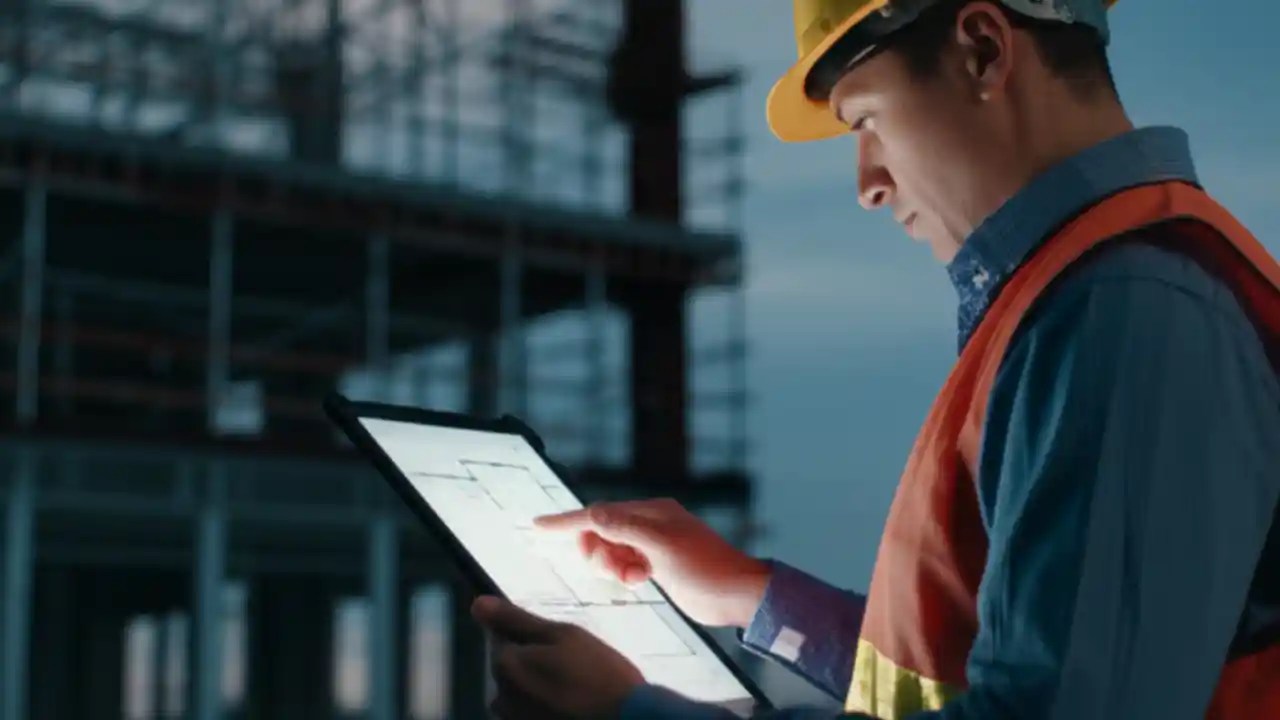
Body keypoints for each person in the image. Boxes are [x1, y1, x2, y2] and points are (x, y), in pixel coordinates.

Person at [471, 0, 1280, 717]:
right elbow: (981, 674)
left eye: (866, 122)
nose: (868, 185)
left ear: (983, 51)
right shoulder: (1088, 293)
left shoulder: (1127, 306)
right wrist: (751, 593)